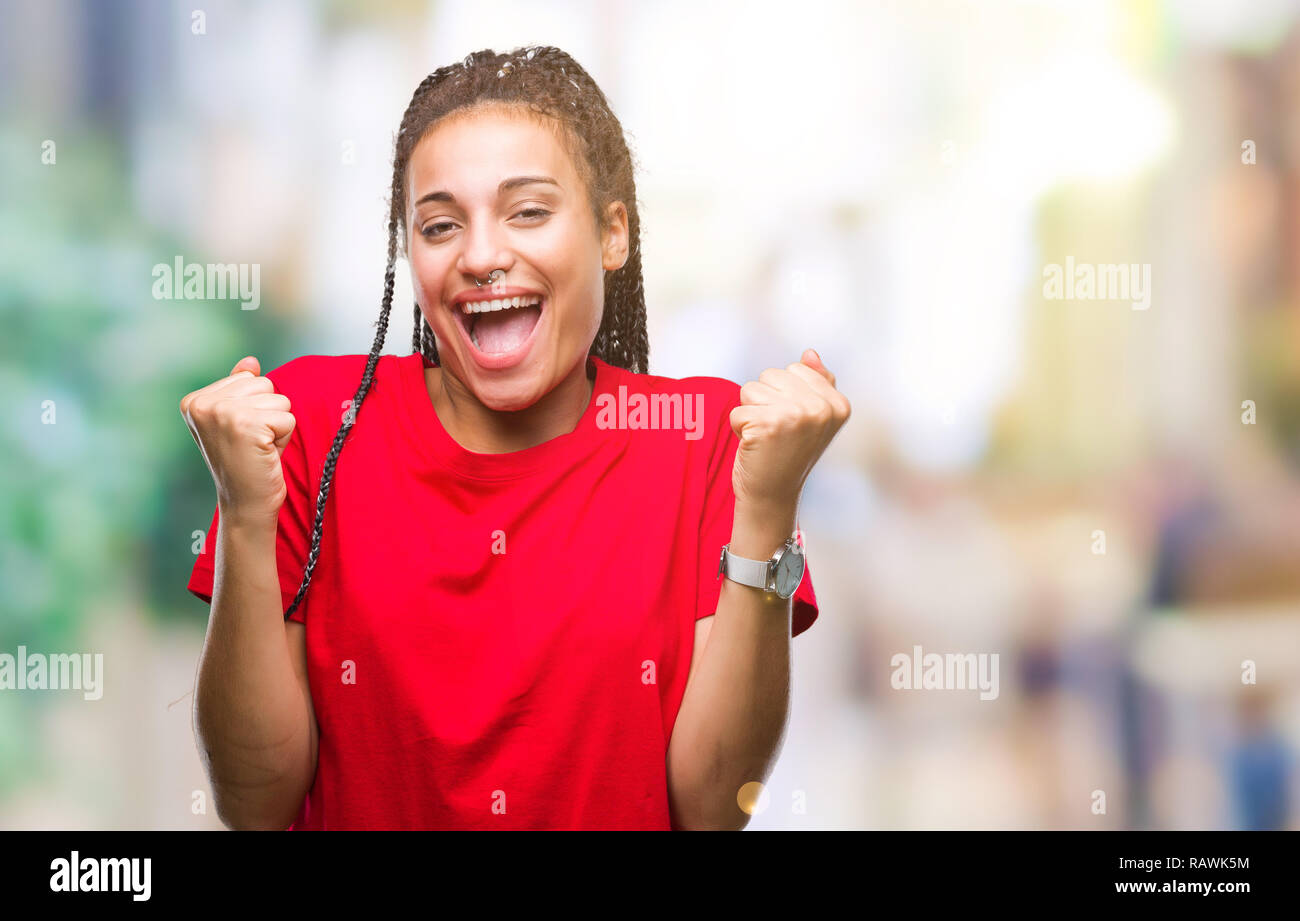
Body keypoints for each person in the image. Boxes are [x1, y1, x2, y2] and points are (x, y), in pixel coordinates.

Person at [179, 45, 850, 830]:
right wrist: (245, 513)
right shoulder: (311, 423)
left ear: (612, 235)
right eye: (439, 224)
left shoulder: (703, 441)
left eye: (528, 211)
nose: (483, 255)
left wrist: (767, 507)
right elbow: (254, 805)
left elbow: (711, 805)